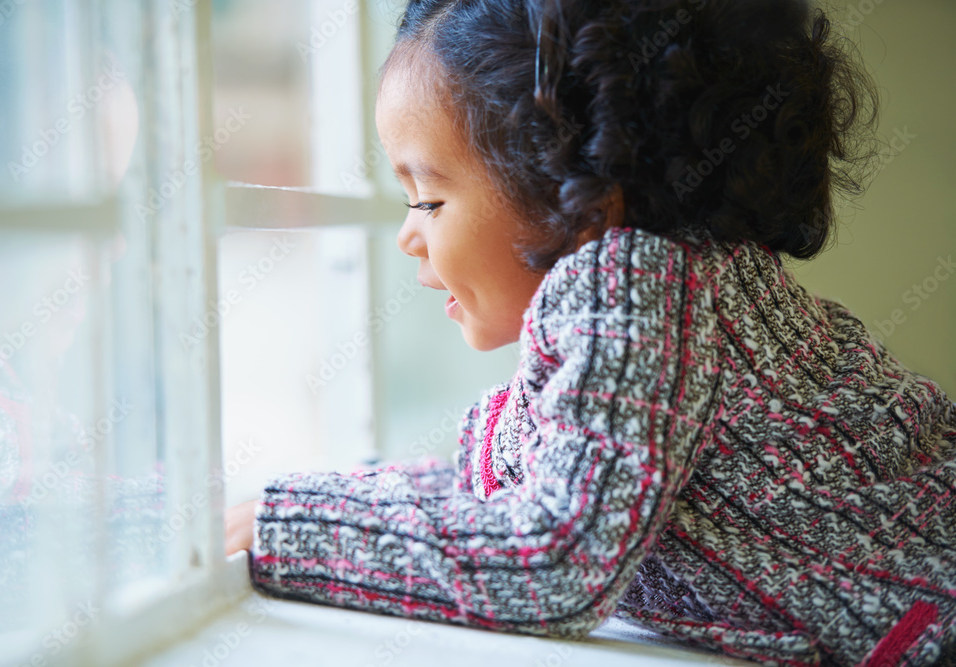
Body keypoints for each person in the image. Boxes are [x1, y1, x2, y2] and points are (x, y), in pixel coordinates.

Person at [223, 1, 956, 664]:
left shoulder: (637, 286)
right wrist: (295, 494)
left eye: (430, 198)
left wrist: (287, 523)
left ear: (582, 201)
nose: (407, 237)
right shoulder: (676, 294)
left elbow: (551, 558)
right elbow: (516, 487)